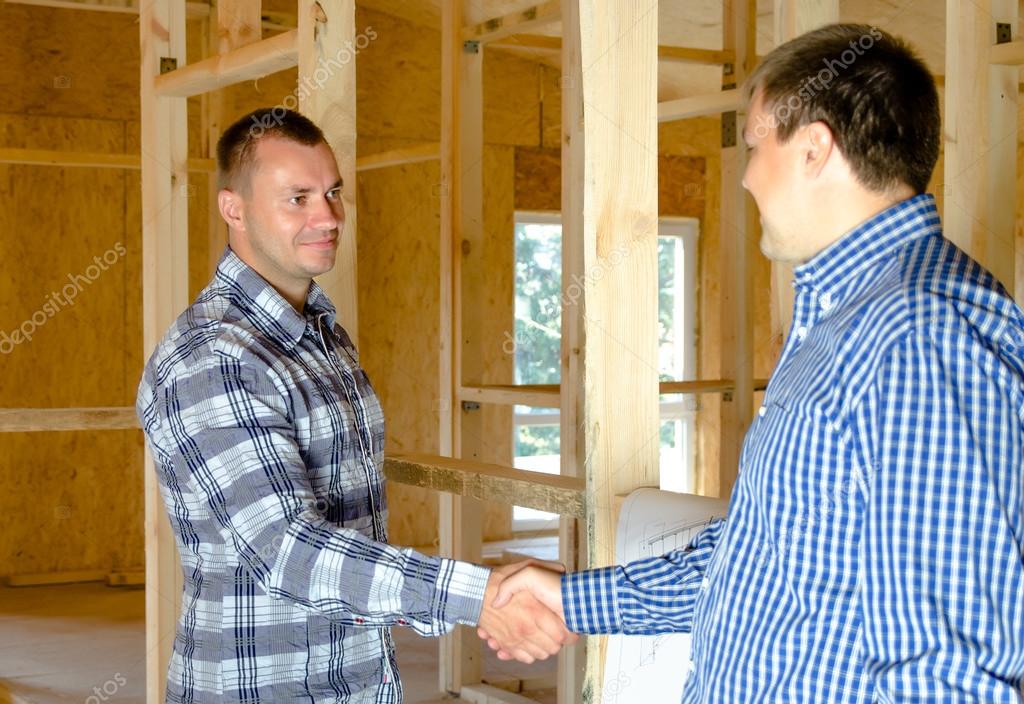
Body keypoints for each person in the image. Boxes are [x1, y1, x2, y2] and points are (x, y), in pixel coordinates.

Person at [484, 23, 1024, 702]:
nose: (744, 177)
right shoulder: (847, 323)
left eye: (753, 146)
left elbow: (947, 675)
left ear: (813, 149)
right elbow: (759, 553)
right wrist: (573, 599)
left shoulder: (918, 336)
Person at [136, 107, 575, 703]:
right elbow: (286, 550)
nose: (328, 216)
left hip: (356, 680)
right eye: (298, 198)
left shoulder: (320, 333)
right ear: (233, 209)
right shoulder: (215, 356)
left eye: (332, 192)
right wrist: (481, 595)